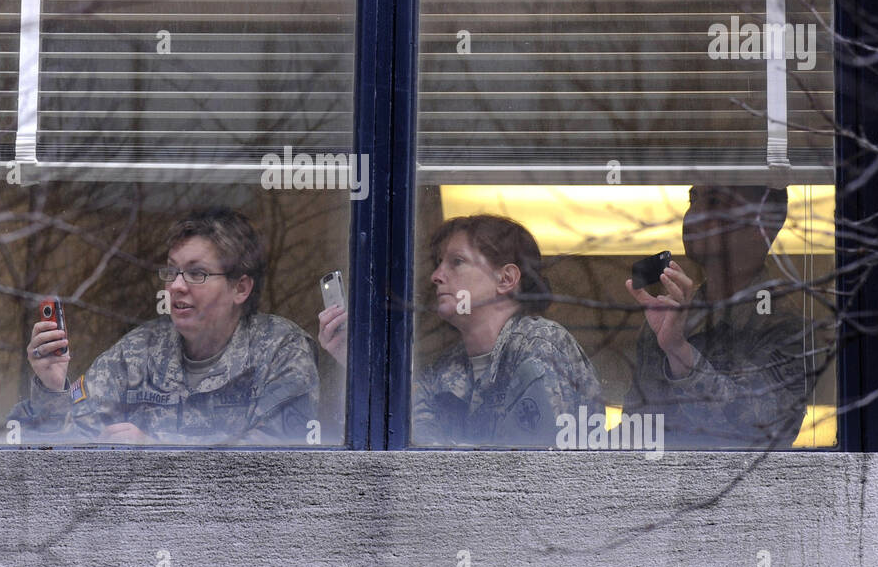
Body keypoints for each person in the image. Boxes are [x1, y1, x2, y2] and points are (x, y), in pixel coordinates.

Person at [11, 207, 319, 445]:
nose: (176, 286)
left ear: (240, 288)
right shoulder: (138, 351)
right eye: (172, 272)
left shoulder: (281, 349)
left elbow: (275, 466)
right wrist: (52, 388)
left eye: (196, 273)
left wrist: (154, 449)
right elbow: (66, 445)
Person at [318, 213, 603, 446]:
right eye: (438, 263)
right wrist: (356, 364)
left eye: (457, 262)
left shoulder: (540, 344)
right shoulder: (447, 368)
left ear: (505, 279)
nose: (436, 276)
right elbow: (409, 450)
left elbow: (530, 478)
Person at [623, 185, 818, 448]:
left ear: (762, 226)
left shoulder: (787, 325)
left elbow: (759, 432)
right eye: (692, 199)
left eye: (715, 202)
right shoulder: (671, 318)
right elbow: (635, 432)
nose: (693, 214)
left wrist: (679, 352)